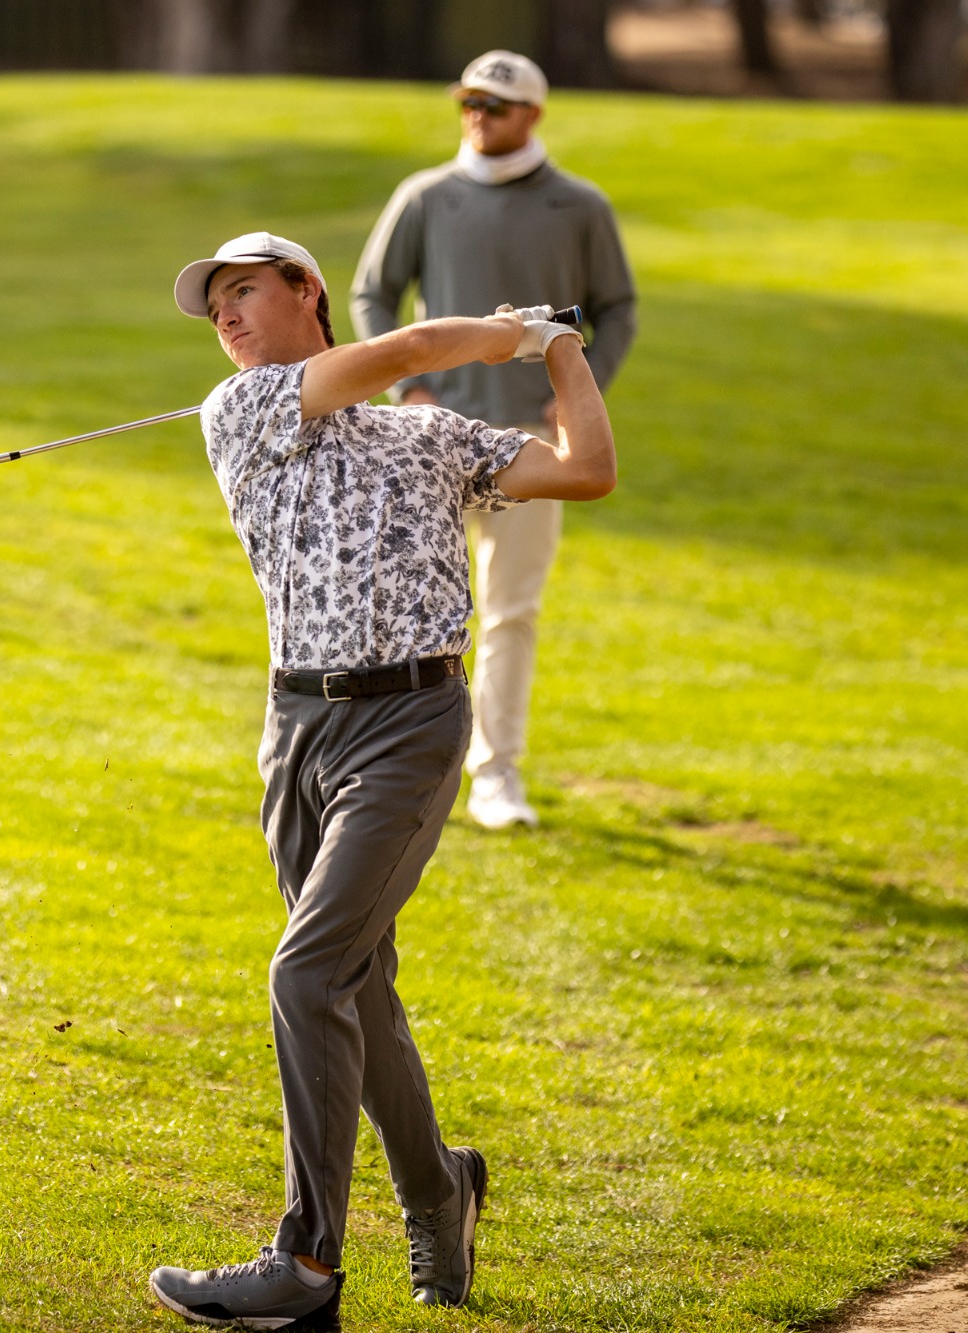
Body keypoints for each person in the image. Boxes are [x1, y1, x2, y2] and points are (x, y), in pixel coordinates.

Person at [146, 232, 615, 1328]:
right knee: (353, 982)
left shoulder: (431, 434)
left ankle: (303, 1265)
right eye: (211, 306)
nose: (223, 316)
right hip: (296, 729)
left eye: (243, 292)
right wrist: (508, 330)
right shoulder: (242, 413)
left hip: (408, 722)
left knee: (308, 972)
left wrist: (562, 358)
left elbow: (583, 469)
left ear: (305, 290)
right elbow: (404, 340)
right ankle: (439, 1189)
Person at [351, 50, 637, 831]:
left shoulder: (579, 206)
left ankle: (496, 772)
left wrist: (572, 394)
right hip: (428, 438)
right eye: (470, 102)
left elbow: (615, 308)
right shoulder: (427, 197)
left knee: (510, 609)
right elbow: (374, 292)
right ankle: (403, 766)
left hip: (527, 442)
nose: (479, 115)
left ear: (534, 115)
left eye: (496, 105)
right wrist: (409, 388)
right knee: (413, 611)